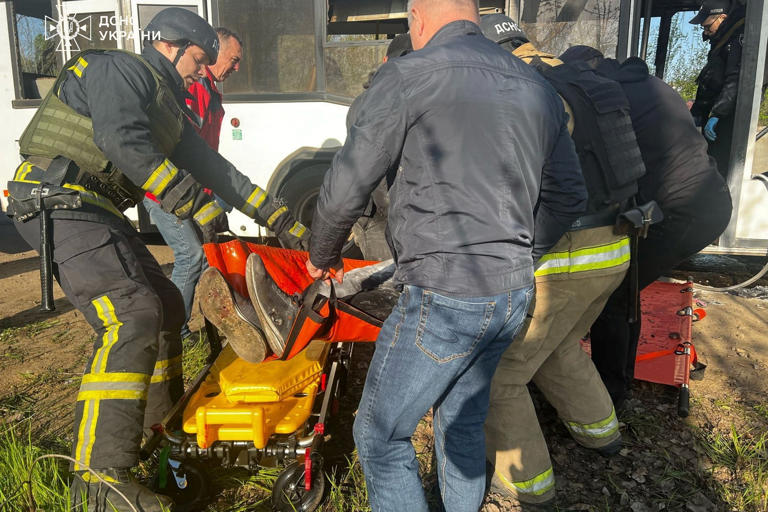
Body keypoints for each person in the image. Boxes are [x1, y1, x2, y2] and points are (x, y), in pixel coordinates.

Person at [5, 8, 307, 511]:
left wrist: (284, 220)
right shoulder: (119, 70)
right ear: (172, 44)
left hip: (94, 206)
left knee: (167, 303)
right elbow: (121, 141)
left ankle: (156, 429)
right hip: (55, 199)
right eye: (200, 57)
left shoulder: (167, 105)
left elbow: (220, 171)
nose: (204, 68)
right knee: (132, 314)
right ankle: (97, 481)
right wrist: (195, 203)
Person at [304, 0, 587, 510]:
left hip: (446, 293)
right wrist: (518, 252)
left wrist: (320, 251)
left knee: (379, 435)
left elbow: (348, 183)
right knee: (461, 422)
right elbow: (569, 193)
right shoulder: (535, 85)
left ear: (417, 17)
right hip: (511, 293)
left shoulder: (407, 76)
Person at [479, 15, 642, 510]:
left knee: (499, 372)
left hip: (562, 257)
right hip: (614, 248)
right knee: (562, 347)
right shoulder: (581, 78)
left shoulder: (519, 87)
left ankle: (532, 488)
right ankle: (603, 438)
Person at [560, 46, 733, 409]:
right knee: (625, 290)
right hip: (707, 198)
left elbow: (604, 171)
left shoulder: (609, 98)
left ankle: (612, 394)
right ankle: (615, 383)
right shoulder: (647, 83)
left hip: (684, 209)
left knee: (615, 291)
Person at [142, 27, 243, 340]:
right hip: (167, 193)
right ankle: (175, 332)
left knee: (205, 251)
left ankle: (202, 323)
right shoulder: (196, 90)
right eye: (234, 59)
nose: (237, 67)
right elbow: (182, 150)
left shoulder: (211, 90)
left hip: (194, 189)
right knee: (192, 255)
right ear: (213, 56)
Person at [689, 0, 745, 178]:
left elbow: (735, 79)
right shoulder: (722, 40)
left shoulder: (737, 40)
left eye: (707, 26)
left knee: (719, 170)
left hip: (725, 120)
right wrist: (697, 109)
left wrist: (717, 114)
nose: (705, 32)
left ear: (722, 17)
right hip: (712, 113)